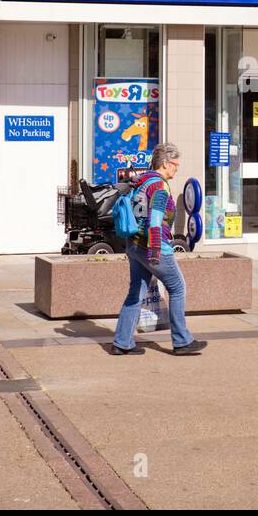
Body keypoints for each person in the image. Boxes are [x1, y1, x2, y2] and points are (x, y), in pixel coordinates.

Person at [111, 143, 207, 356]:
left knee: (136, 293)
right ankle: (182, 341)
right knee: (177, 287)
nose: (176, 169)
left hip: (134, 244)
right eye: (175, 165)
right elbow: (155, 221)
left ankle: (122, 342)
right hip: (153, 247)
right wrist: (155, 250)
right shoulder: (159, 187)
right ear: (165, 163)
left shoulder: (141, 181)